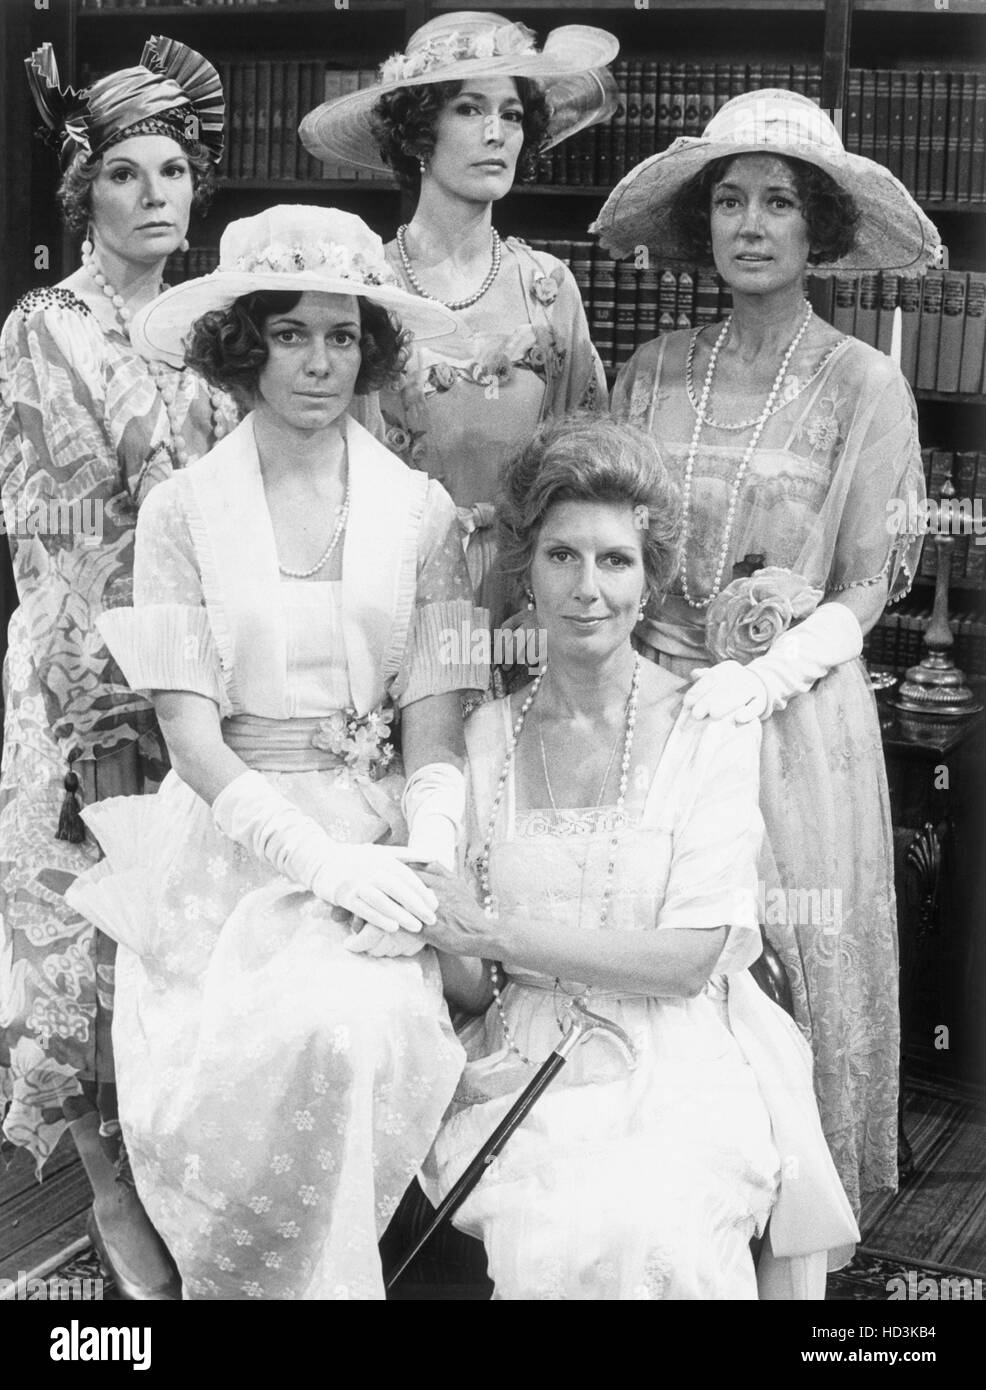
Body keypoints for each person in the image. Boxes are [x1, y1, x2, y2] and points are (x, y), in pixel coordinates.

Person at [65, 205, 490, 1300]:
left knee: (359, 1028)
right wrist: (317, 861)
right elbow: (188, 737)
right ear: (245, 345)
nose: (318, 362)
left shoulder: (424, 511)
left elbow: (435, 715)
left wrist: (429, 846)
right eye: (290, 333)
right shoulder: (181, 511)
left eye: (341, 336)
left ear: (369, 349)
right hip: (232, 850)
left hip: (381, 837)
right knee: (278, 1043)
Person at [390, 413, 859, 1300]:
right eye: (562, 556)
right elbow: (472, 987)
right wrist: (432, 923)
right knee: (557, 1234)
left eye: (615, 560)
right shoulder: (483, 739)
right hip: (526, 1057)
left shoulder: (708, 727)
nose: (587, 589)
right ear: (526, 571)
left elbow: (688, 963)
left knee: (651, 1230)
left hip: (677, 1058)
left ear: (651, 580)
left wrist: (488, 932)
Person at [593, 89, 941, 1213]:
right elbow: (609, 541)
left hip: (788, 720)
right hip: (646, 706)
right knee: (648, 963)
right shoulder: (650, 367)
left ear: (817, 227)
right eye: (730, 201)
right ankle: (657, 1216)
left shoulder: (864, 381)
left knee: (775, 967)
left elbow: (870, 576)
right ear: (702, 223)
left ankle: (784, 1218)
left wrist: (770, 671)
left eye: (778, 202)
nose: (751, 224)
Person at [0, 36, 232, 1298]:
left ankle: (195, 1175)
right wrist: (99, 703)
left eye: (174, 172)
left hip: (211, 672)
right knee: (89, 932)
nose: (154, 195)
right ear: (83, 193)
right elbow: (60, 531)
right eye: (125, 175)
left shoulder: (221, 324)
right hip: (86, 669)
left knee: (192, 938)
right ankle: (107, 1186)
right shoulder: (50, 326)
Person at [299, 11, 614, 622]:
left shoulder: (549, 287)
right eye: (470, 109)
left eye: (512, 114)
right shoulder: (362, 287)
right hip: (391, 586)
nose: (496, 134)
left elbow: (588, 464)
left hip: (532, 593)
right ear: (420, 131)